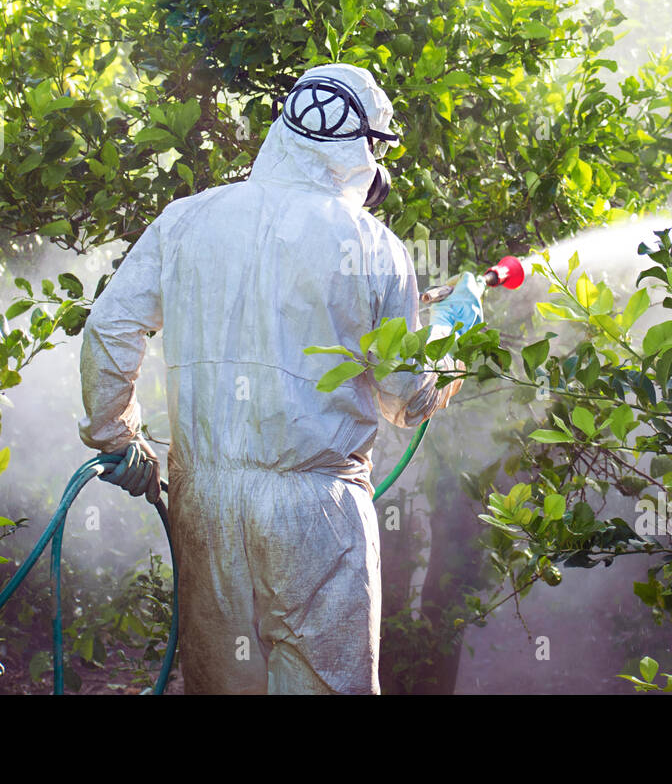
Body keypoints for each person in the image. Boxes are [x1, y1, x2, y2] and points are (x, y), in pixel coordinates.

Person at [77, 63, 483, 694]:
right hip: (314, 514)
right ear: (363, 151)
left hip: (204, 503)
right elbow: (409, 394)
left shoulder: (187, 219)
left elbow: (108, 329)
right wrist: (454, 330)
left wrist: (117, 436)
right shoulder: (371, 245)